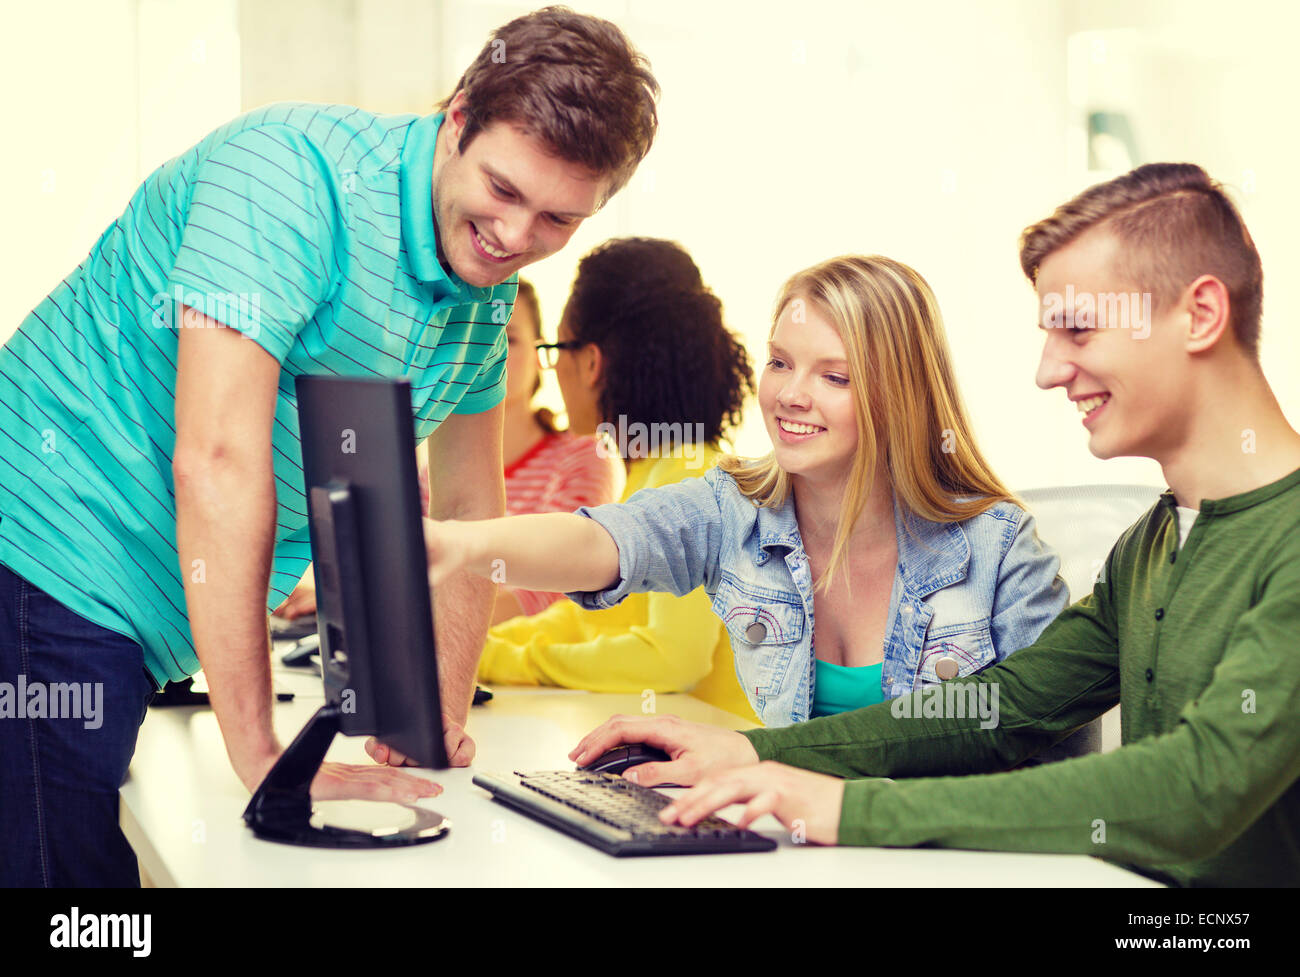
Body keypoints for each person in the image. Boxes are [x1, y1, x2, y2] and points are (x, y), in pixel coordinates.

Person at [0, 6, 659, 887]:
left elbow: (470, 512)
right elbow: (218, 460)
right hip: (43, 545)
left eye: (556, 220)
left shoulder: (482, 297)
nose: (513, 238)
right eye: (503, 190)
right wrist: (259, 749)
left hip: (135, 624)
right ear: (458, 115)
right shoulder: (288, 178)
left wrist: (427, 719)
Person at [571, 163, 1300, 888]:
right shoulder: (1154, 540)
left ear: (1201, 314)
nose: (1048, 370)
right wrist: (756, 752)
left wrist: (851, 808)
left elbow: (1199, 785)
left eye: (1077, 329)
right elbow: (1002, 706)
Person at [411, 254, 1069, 732]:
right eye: (780, 361)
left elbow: (1038, 761)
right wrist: (454, 541)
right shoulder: (735, 507)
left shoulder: (1001, 550)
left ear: (900, 393)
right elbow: (602, 539)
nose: (788, 394)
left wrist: (769, 764)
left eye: (833, 376)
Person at [467, 237, 760, 720]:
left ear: (591, 362)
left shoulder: (688, 477)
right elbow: (587, 621)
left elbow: (672, 659)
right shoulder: (656, 471)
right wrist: (480, 643)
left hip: (717, 765)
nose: (554, 365)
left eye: (556, 348)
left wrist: (509, 659)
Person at [273, 279, 626, 624]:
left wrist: (381, 609)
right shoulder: (436, 474)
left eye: (510, 340)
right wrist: (344, 596)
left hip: (526, 670)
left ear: (539, 357)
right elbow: (397, 568)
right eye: (487, 340)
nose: (493, 351)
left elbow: (559, 589)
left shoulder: (584, 458)